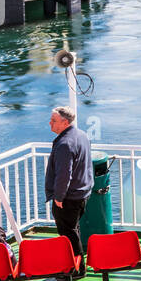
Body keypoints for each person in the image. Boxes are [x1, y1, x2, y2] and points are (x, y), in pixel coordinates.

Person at [44, 105, 93, 260]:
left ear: (65, 123)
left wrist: (58, 197)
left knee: (68, 234)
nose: (50, 123)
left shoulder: (65, 144)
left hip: (69, 198)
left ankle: (75, 269)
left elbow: (64, 174)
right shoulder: (82, 135)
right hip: (83, 193)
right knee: (74, 229)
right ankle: (77, 266)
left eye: (53, 120)